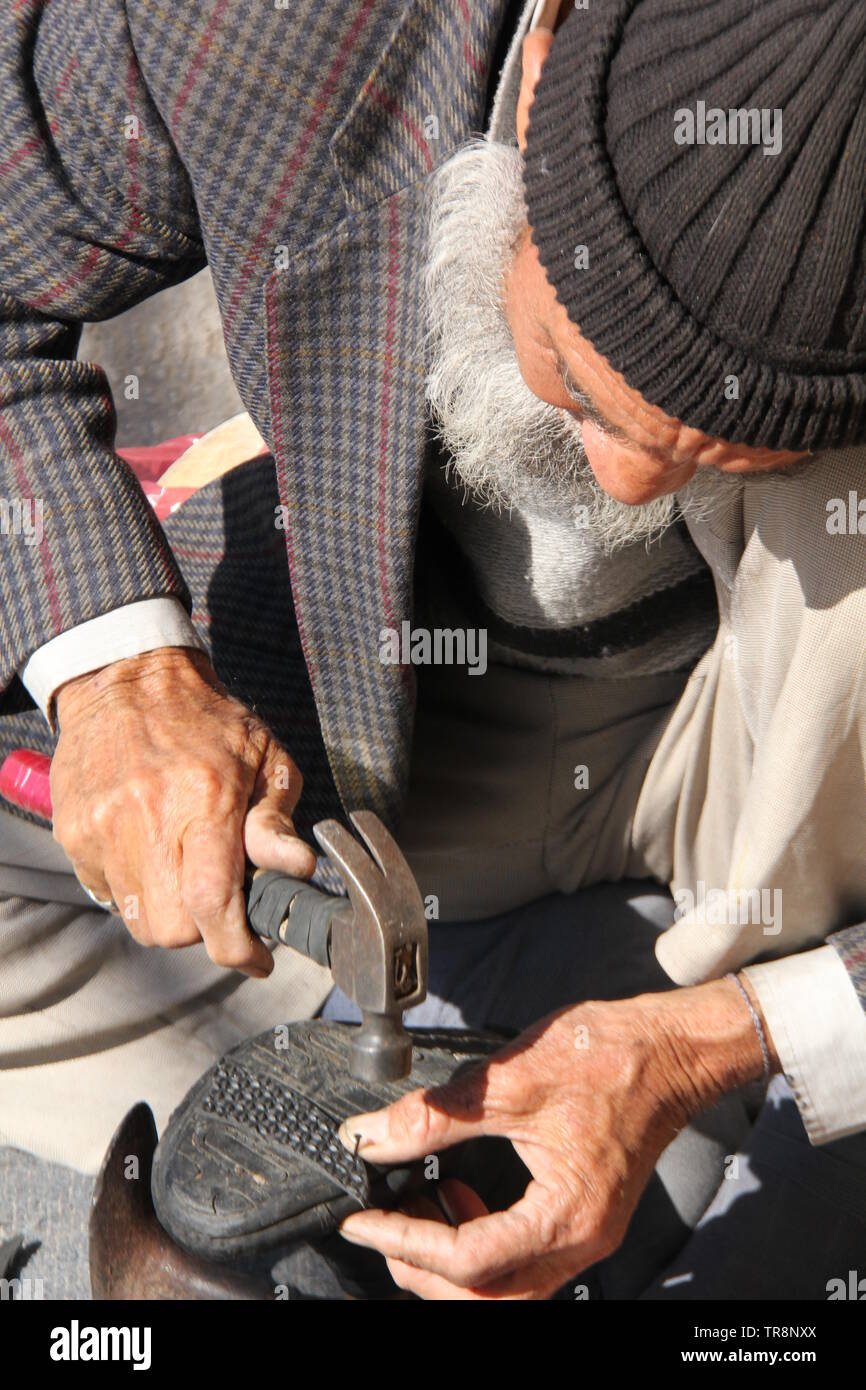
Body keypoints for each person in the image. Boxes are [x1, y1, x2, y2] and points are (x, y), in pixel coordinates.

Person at [0, 0, 863, 1299]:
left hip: (773, 740)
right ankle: (348, 1174)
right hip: (388, 688)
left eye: (723, 447)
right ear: (530, 86)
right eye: (573, 380)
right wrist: (112, 665)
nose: (627, 488)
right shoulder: (265, 27)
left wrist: (725, 1036)